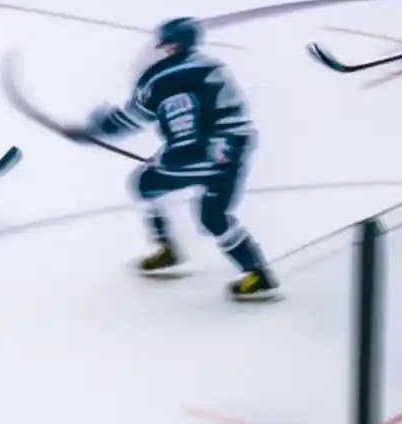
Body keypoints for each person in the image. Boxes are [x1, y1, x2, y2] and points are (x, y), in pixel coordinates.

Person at [82, 17, 278, 301]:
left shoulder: (162, 77)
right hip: (234, 149)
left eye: (164, 42)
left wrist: (95, 128)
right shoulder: (211, 67)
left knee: (145, 183)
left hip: (202, 154)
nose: (159, 47)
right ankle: (257, 272)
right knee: (214, 216)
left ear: (173, 44)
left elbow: (135, 120)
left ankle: (167, 249)